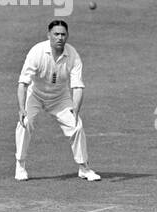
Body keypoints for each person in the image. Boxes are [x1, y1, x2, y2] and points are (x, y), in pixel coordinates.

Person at [15, 19, 100, 182]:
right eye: (56, 34)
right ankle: (20, 165)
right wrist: (21, 109)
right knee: (25, 123)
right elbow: (23, 83)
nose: (60, 37)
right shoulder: (36, 52)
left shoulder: (73, 55)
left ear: (67, 36)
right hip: (36, 95)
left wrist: (76, 109)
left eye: (63, 34)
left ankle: (84, 168)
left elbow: (77, 86)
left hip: (60, 98)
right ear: (49, 35)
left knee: (76, 126)